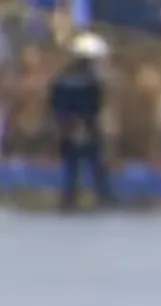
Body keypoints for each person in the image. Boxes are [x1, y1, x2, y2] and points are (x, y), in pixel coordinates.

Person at [49, 32, 112, 212]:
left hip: (70, 127)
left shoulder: (60, 81)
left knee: (74, 165)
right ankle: (101, 196)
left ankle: (70, 198)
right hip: (83, 127)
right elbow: (96, 106)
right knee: (91, 163)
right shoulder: (91, 83)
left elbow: (56, 107)